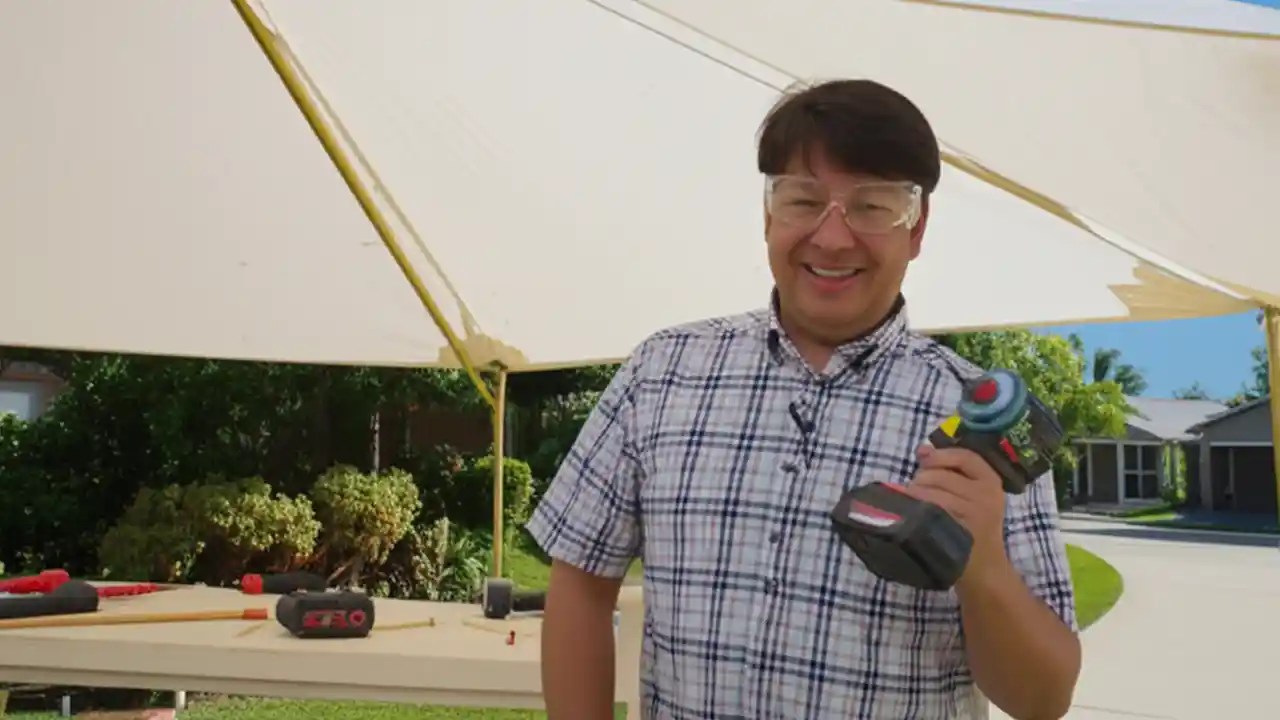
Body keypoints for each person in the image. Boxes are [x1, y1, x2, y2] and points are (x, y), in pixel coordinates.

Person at [525, 78, 1081, 719]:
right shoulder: (663, 373)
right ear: (769, 213)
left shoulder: (982, 424)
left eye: (872, 207)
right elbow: (581, 586)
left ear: (917, 227)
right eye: (804, 200)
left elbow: (1043, 701)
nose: (833, 237)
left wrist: (982, 567)